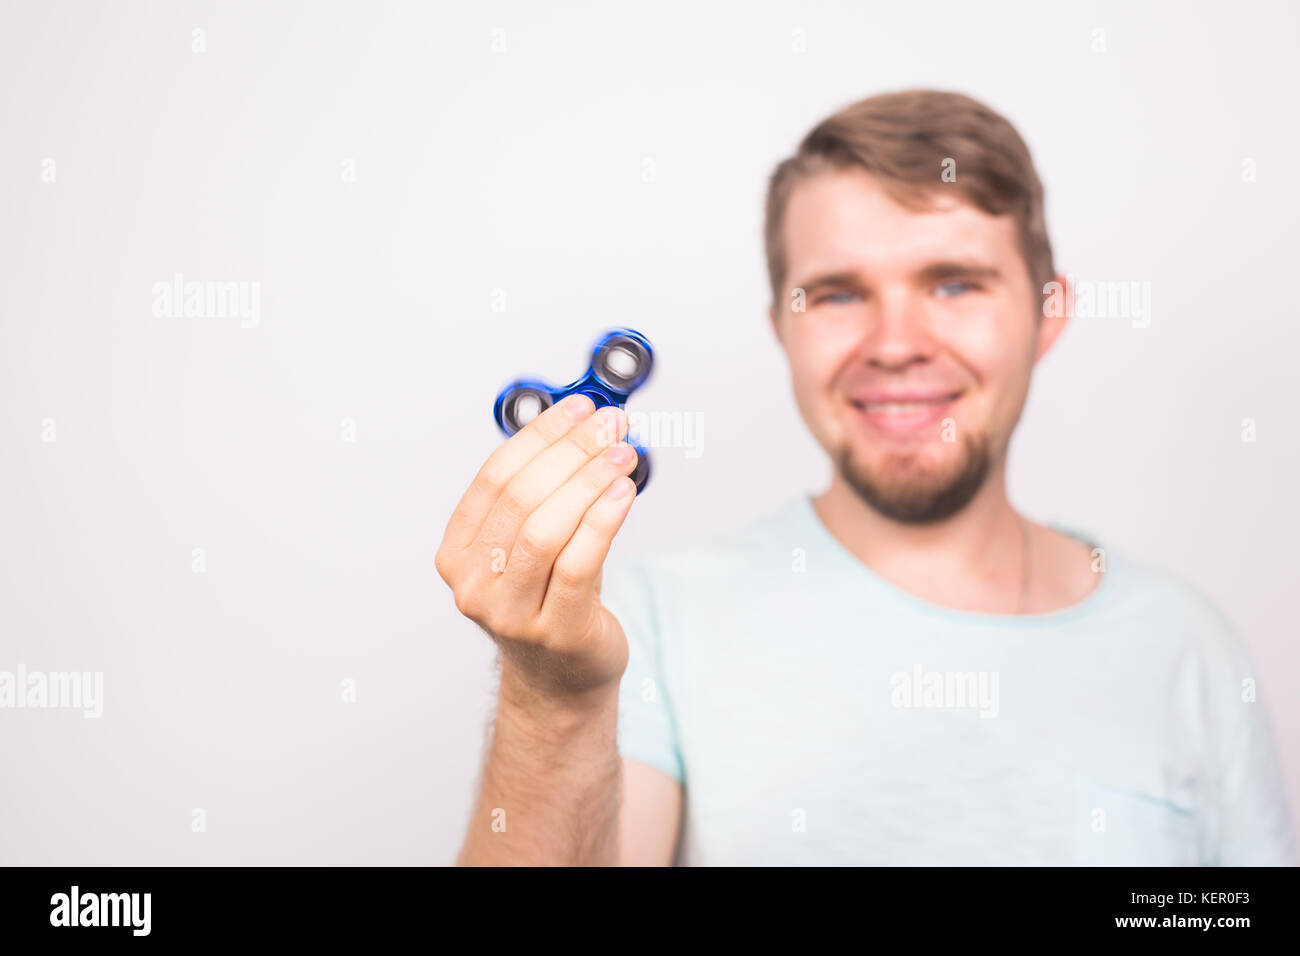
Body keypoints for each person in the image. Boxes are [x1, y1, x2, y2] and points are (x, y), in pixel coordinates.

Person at [436, 89, 1297, 865]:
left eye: (954, 283)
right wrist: (552, 704)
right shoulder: (645, 629)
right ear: (783, 326)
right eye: (840, 294)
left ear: (1047, 314)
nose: (894, 343)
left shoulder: (1190, 650)